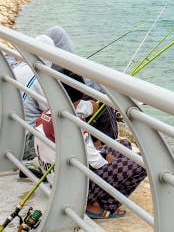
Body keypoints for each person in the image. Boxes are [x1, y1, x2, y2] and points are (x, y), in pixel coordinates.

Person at [34, 66, 146, 220]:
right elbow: (97, 163)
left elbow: (88, 153)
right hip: (74, 187)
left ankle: (97, 200)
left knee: (124, 145)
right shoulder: (74, 121)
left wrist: (108, 157)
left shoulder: (49, 112)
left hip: (58, 179)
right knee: (140, 163)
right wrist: (113, 162)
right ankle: (104, 205)